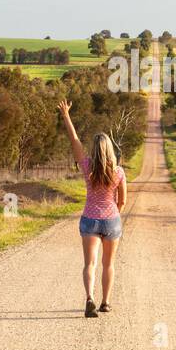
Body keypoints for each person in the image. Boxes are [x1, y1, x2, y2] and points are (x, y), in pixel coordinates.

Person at [57, 99, 126, 317]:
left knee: (90, 264)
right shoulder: (119, 172)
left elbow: (74, 140)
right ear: (109, 151)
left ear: (94, 150)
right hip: (112, 220)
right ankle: (105, 302)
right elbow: (122, 200)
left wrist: (66, 115)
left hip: (89, 219)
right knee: (108, 264)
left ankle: (89, 298)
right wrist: (114, 215)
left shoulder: (87, 167)